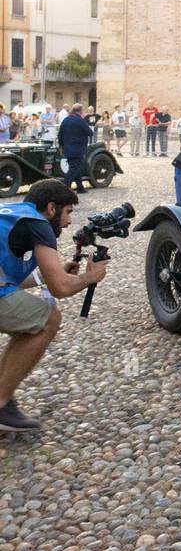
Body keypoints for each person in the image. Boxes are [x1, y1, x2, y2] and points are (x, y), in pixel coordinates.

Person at [0, 179, 109, 432]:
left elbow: (8, 281)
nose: (68, 221)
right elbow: (59, 289)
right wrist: (89, 278)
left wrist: (53, 273)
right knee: (48, 319)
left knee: (29, 321)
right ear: (51, 208)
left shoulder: (14, 214)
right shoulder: (40, 225)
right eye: (68, 211)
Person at [57, 103, 92, 194]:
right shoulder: (80, 120)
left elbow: (60, 135)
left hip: (67, 149)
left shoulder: (65, 120)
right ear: (80, 111)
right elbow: (90, 133)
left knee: (75, 168)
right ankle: (64, 188)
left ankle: (80, 188)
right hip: (78, 149)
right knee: (73, 169)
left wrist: (61, 146)